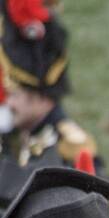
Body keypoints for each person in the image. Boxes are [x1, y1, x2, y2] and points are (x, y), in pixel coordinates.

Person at [0, 1, 97, 168]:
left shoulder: (71, 147)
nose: (8, 102)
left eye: (14, 95)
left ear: (43, 98)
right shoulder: (18, 135)